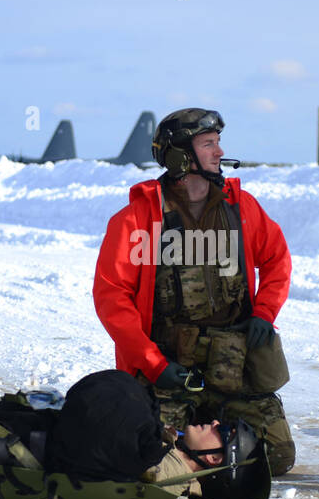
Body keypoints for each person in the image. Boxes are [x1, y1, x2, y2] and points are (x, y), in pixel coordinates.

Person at [92, 108, 296, 475]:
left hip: (233, 369)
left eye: (218, 143)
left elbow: (277, 259)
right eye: (208, 144)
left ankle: (204, 427)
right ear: (180, 157)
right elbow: (112, 298)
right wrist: (154, 365)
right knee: (145, 459)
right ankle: (192, 432)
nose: (219, 152)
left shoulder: (242, 208)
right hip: (169, 372)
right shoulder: (136, 220)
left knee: (276, 458)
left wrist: (265, 311)